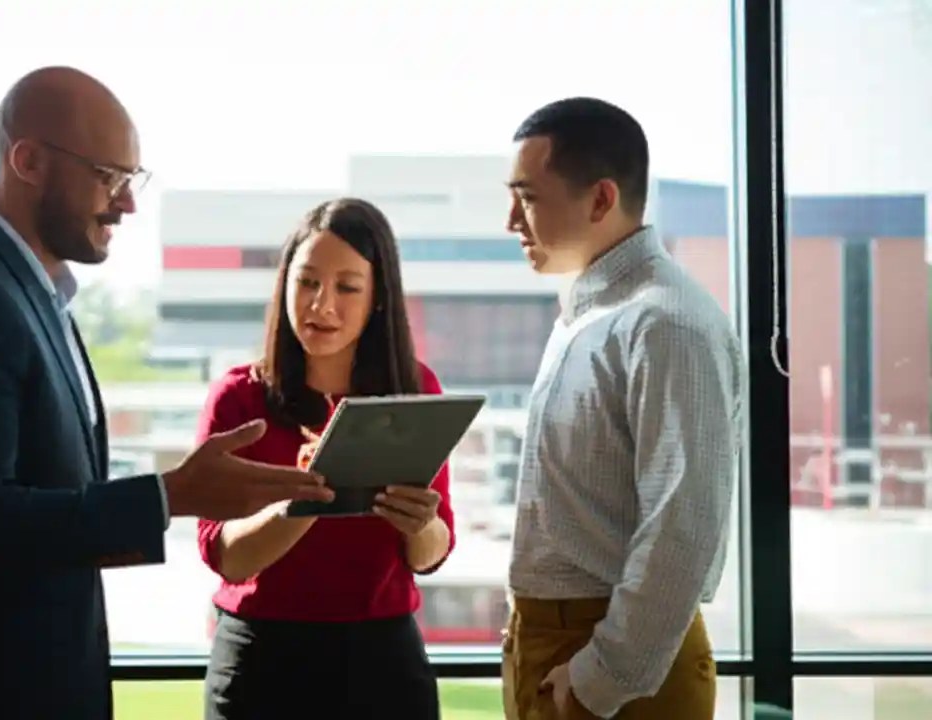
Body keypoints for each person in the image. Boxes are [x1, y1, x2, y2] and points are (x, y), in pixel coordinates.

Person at [0, 66, 332, 720]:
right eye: (109, 177)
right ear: (29, 161)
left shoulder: (31, 297)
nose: (127, 204)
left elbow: (49, 508)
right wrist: (170, 496)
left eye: (132, 180)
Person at [500, 96, 743, 720]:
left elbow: (683, 522)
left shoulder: (666, 324)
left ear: (601, 199)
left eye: (527, 197)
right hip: (559, 649)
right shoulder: (589, 316)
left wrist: (604, 677)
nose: (512, 221)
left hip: (615, 668)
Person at [194, 197, 456, 720]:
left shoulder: (414, 390)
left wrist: (419, 524)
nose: (321, 305)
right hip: (261, 661)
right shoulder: (238, 398)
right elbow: (226, 556)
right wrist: (307, 492)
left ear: (378, 297)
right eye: (307, 282)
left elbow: (431, 553)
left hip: (382, 661)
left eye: (347, 287)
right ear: (285, 283)